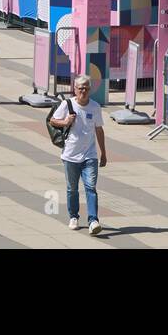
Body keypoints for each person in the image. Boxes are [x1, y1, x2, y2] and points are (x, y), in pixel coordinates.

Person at [49, 74, 107, 235]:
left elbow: (99, 130)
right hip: (70, 155)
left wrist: (103, 153)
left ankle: (93, 220)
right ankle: (73, 216)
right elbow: (53, 120)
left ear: (90, 89)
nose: (83, 91)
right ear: (75, 89)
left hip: (90, 155)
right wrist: (65, 122)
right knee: (72, 189)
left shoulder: (95, 107)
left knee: (90, 187)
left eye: (86, 88)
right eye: (80, 88)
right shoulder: (67, 104)